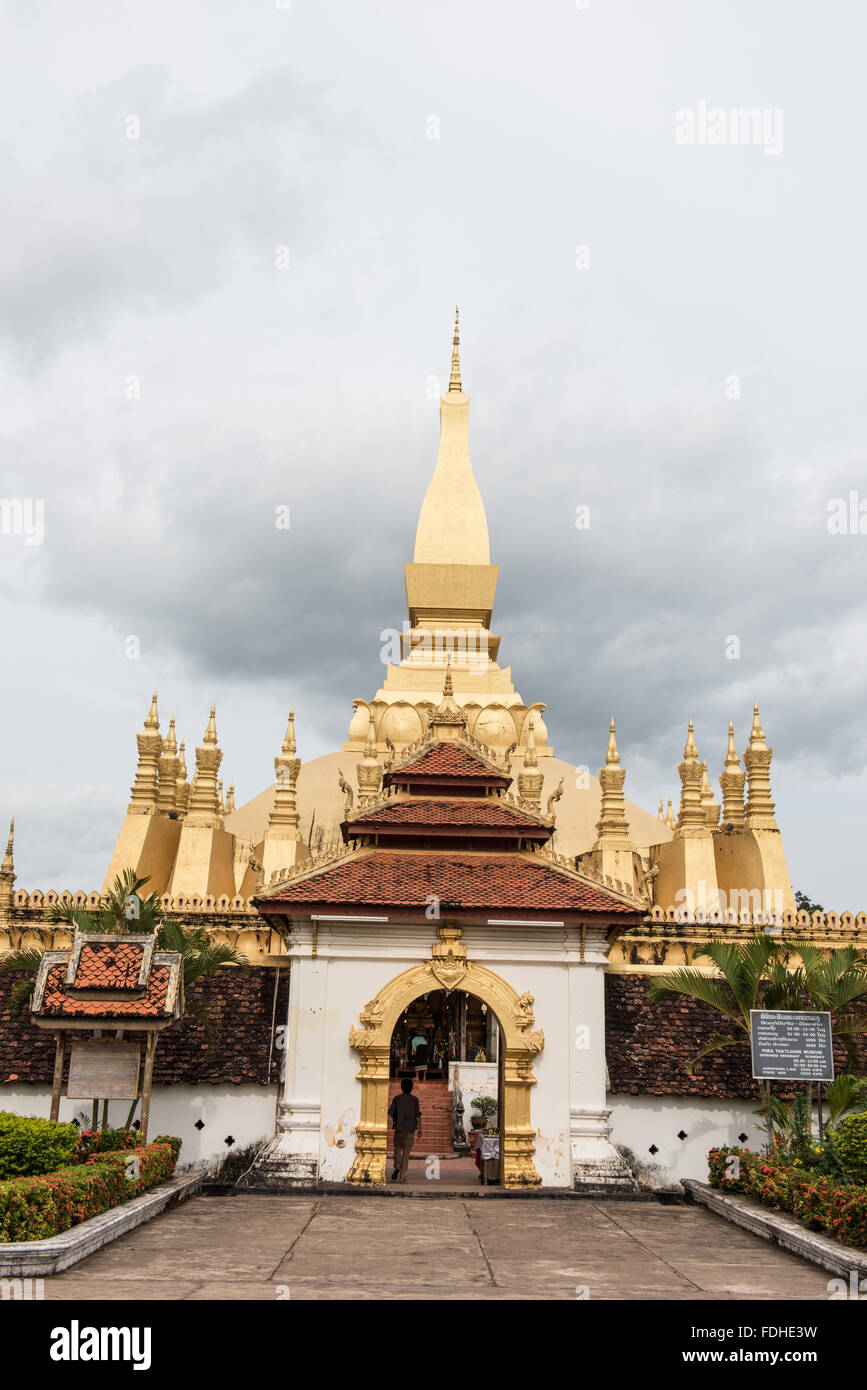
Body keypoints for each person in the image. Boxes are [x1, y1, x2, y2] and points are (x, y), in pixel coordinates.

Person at [388, 1078, 421, 1182]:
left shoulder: (397, 1099)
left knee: (397, 1147)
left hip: (399, 1128)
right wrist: (420, 1129)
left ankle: (397, 1165)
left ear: (401, 1087)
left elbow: (390, 1112)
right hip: (411, 1129)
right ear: (411, 1088)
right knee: (406, 1152)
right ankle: (403, 1175)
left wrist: (395, 1120)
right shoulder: (415, 1100)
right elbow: (418, 1116)